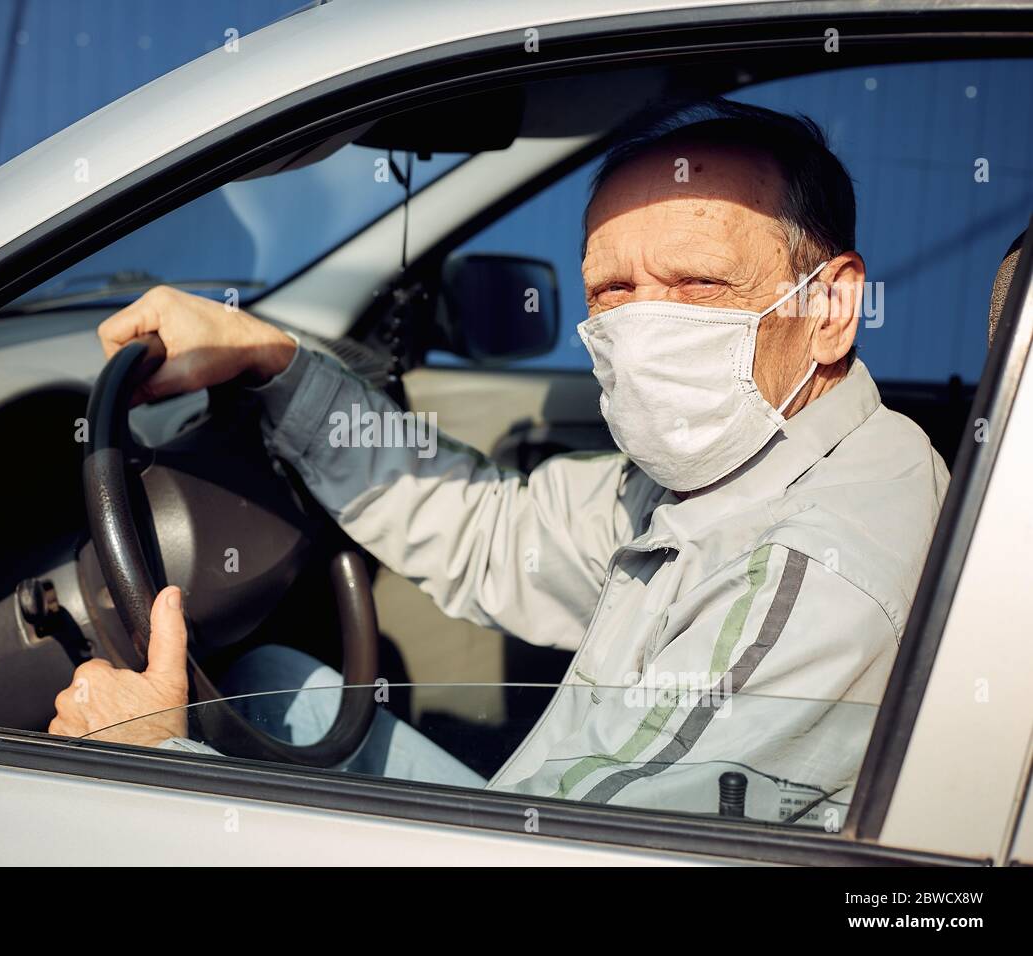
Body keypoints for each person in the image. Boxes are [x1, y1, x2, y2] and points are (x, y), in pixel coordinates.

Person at [50, 99, 949, 820]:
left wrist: (164, 776)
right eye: (614, 291)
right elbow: (494, 535)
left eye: (700, 285)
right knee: (273, 690)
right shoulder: (732, 469)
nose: (642, 326)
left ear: (832, 308)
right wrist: (272, 359)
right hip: (551, 815)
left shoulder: (812, 573)